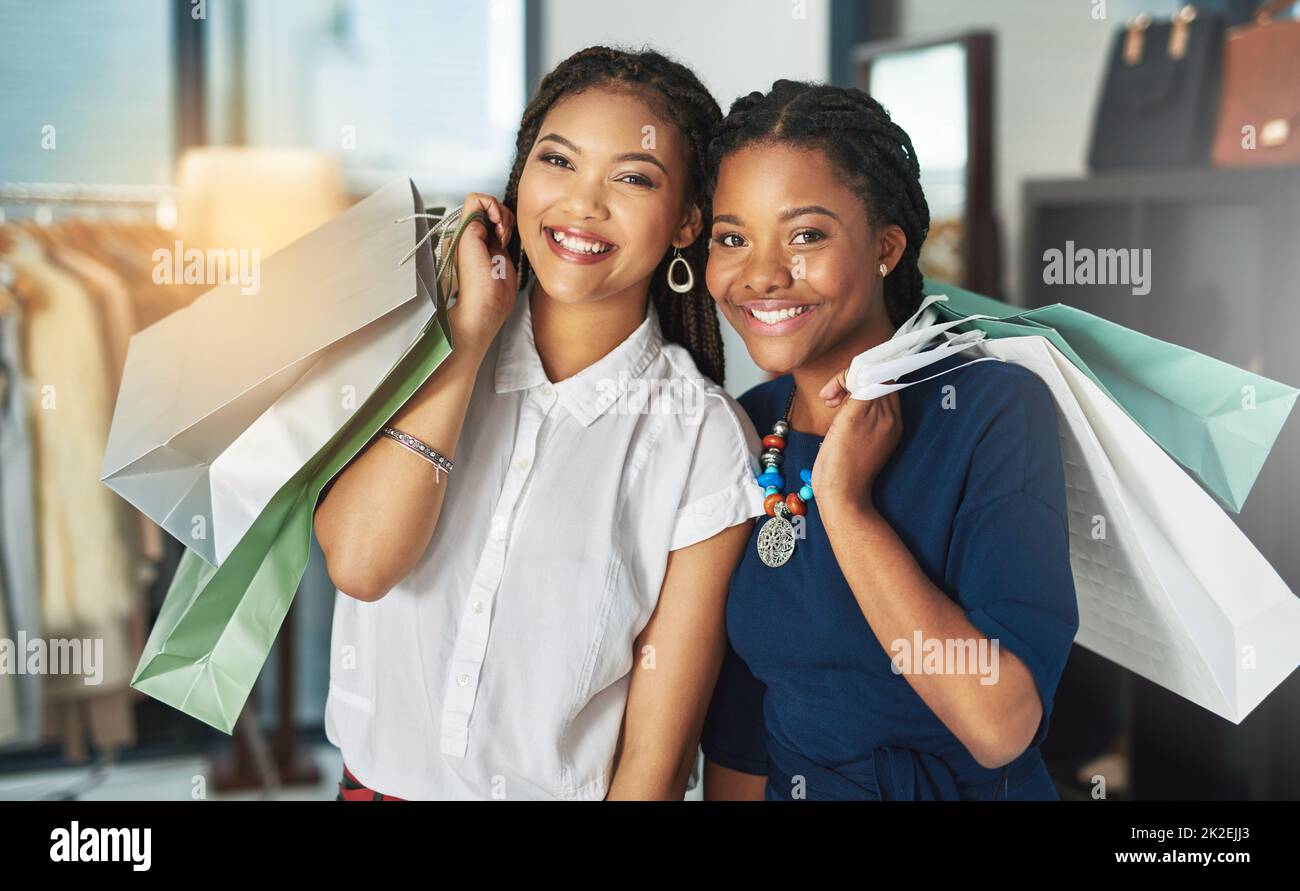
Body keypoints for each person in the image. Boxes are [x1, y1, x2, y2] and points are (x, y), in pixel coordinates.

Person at [313, 47, 765, 800]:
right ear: (521, 178)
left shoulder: (703, 440)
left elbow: (652, 762)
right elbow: (362, 564)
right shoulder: (416, 342)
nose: (584, 204)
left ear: (689, 220)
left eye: (632, 177)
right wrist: (464, 344)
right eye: (559, 161)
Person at [699, 81, 1079, 800]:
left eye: (806, 235)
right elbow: (743, 727)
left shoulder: (990, 410)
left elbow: (1000, 723)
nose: (761, 275)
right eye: (732, 238)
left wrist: (846, 506)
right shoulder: (744, 426)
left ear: (886, 245)